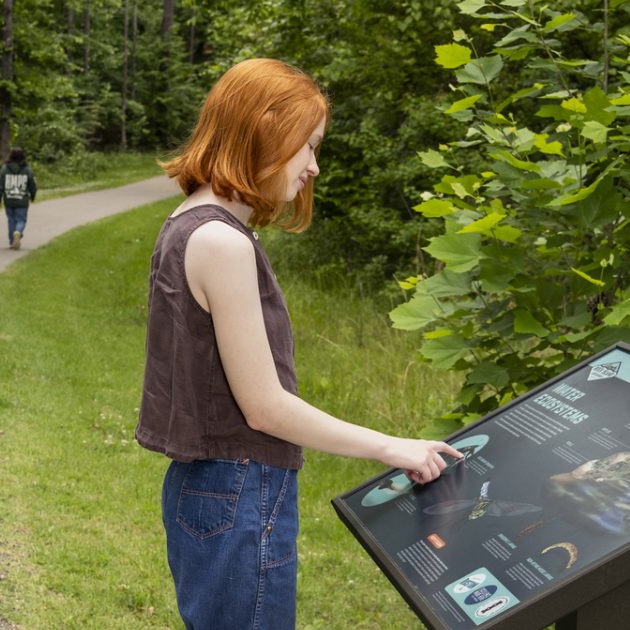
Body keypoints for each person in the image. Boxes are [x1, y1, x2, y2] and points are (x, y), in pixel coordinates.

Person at [136, 58, 462, 629]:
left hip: (208, 488)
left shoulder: (188, 221)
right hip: (237, 490)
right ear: (263, 130)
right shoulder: (221, 241)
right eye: (307, 146)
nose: (313, 166)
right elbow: (265, 408)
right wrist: (393, 446)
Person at [0, 147, 38, 250]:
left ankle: (12, 241)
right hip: (22, 200)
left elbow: (0, 185)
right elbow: (33, 185)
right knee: (21, 220)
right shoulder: (27, 170)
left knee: (11, 220)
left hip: (9, 199)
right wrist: (32, 196)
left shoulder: (4, 169)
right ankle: (18, 232)